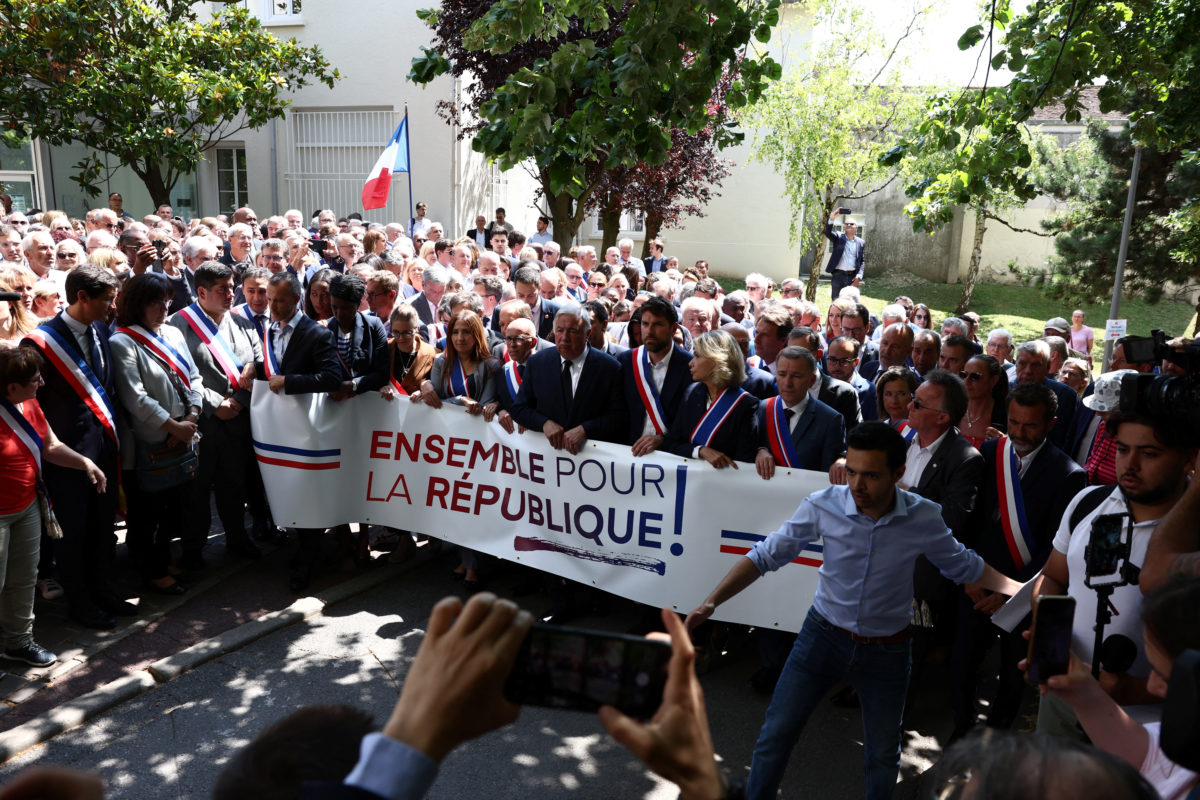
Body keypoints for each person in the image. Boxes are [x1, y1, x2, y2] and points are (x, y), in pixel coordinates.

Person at [686, 421, 1022, 800]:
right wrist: (713, 601)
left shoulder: (924, 516)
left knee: (882, 754)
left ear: (898, 473)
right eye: (852, 472)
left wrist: (1019, 590)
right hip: (821, 638)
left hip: (889, 652)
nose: (858, 485)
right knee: (775, 735)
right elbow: (766, 555)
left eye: (871, 476)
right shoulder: (822, 504)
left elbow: (965, 565)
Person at [1031, 410, 1198, 740]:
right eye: (1123, 449)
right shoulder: (1088, 502)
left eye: (1149, 453)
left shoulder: (1192, 539)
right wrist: (1047, 641)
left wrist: (1139, 691)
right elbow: (1053, 576)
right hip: (1064, 698)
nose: (1130, 465)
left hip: (1148, 727)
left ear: (1190, 459)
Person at [950, 382, 1086, 740]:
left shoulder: (1069, 474)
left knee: (1012, 675)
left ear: (1051, 424)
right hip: (977, 583)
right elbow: (971, 520)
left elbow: (1055, 550)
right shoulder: (991, 451)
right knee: (961, 664)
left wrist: (1014, 594)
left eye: (1030, 425)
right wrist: (969, 575)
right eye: (1013, 422)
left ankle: (995, 741)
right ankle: (961, 732)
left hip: (1025, 592)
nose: (1020, 433)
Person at [21, 265, 127, 629]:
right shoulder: (39, 343)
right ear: (82, 297)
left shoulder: (100, 328)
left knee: (102, 527)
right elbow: (33, 405)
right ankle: (80, 603)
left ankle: (103, 591)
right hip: (65, 459)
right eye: (107, 300)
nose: (112, 307)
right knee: (73, 534)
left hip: (103, 451)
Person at [1036, 578, 1200, 800]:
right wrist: (1085, 694)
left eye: (1164, 676)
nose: (1151, 685)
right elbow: (1150, 756)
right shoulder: (1179, 736)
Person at [0, 347, 106, 670]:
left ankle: (18, 642)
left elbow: (51, 446)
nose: (42, 383)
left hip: (28, 506)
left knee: (23, 578)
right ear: (11, 387)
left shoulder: (29, 403)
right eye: (35, 380)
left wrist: (84, 462)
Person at [110, 273, 203, 596]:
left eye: (165, 301)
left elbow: (194, 378)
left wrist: (190, 418)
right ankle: (150, 570)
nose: (163, 308)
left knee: (175, 510)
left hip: (183, 433)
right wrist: (173, 427)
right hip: (148, 442)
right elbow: (135, 398)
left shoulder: (174, 333)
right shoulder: (122, 341)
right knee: (148, 513)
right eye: (154, 302)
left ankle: (163, 560)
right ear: (137, 304)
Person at [168, 261, 264, 567]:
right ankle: (193, 551)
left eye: (231, 287)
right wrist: (212, 404)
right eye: (222, 289)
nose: (230, 294)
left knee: (234, 487)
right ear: (201, 291)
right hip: (203, 423)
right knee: (196, 493)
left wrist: (237, 400)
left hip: (238, 419)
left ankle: (237, 539)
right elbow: (176, 374)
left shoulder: (243, 322)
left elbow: (260, 363)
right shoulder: (177, 325)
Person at [256, 272, 342, 592]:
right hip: (275, 430)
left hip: (306, 429)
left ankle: (308, 560)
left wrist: (289, 382)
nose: (273, 305)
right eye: (269, 299)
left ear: (296, 300)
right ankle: (298, 548)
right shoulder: (268, 330)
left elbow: (332, 379)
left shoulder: (315, 334)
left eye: (279, 300)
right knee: (285, 489)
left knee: (307, 494)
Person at [414, 310, 498, 590]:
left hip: (478, 446)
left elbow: (484, 406)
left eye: (466, 332)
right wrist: (459, 401)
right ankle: (466, 559)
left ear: (477, 335)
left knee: (474, 505)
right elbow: (434, 400)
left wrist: (465, 405)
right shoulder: (441, 362)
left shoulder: (489, 365)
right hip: (449, 445)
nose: (460, 338)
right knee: (458, 505)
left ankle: (472, 565)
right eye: (455, 332)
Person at [510, 304, 625, 455]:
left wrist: (585, 429)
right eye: (560, 330)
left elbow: (619, 416)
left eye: (572, 331)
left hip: (591, 459)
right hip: (549, 458)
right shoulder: (538, 363)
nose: (564, 338)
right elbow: (519, 409)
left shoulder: (609, 368)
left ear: (587, 334)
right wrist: (544, 423)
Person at [660, 329, 759, 468]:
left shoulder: (745, 404)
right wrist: (700, 451)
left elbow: (744, 461)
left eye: (697, 356)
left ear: (716, 360)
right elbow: (671, 443)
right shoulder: (691, 393)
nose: (691, 363)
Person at [754, 346, 846, 477]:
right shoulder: (761, 409)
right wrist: (759, 450)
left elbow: (828, 477)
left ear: (812, 381)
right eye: (782, 374)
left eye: (796, 376)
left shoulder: (830, 420)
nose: (787, 383)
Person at [618, 296, 692, 454]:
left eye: (657, 324)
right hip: (628, 456)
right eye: (645, 324)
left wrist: (664, 439)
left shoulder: (690, 367)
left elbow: (692, 421)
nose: (649, 331)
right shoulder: (626, 361)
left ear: (673, 329)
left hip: (670, 458)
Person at [325, 274, 389, 401]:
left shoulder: (373, 326)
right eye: (334, 307)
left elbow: (382, 373)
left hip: (365, 407)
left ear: (358, 304)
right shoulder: (324, 329)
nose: (339, 313)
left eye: (346, 308)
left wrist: (353, 385)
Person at [959, 354, 1009, 447]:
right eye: (964, 375)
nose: (966, 381)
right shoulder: (953, 411)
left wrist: (1004, 443)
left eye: (974, 377)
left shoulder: (1006, 415)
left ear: (993, 380)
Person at [824, 208, 865, 298]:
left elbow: (862, 260)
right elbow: (827, 232)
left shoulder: (861, 242)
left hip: (853, 277)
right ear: (844, 227)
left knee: (851, 303)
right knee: (836, 300)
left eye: (852, 224)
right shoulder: (838, 237)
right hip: (838, 276)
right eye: (847, 224)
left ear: (856, 227)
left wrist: (859, 276)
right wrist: (832, 218)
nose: (849, 225)